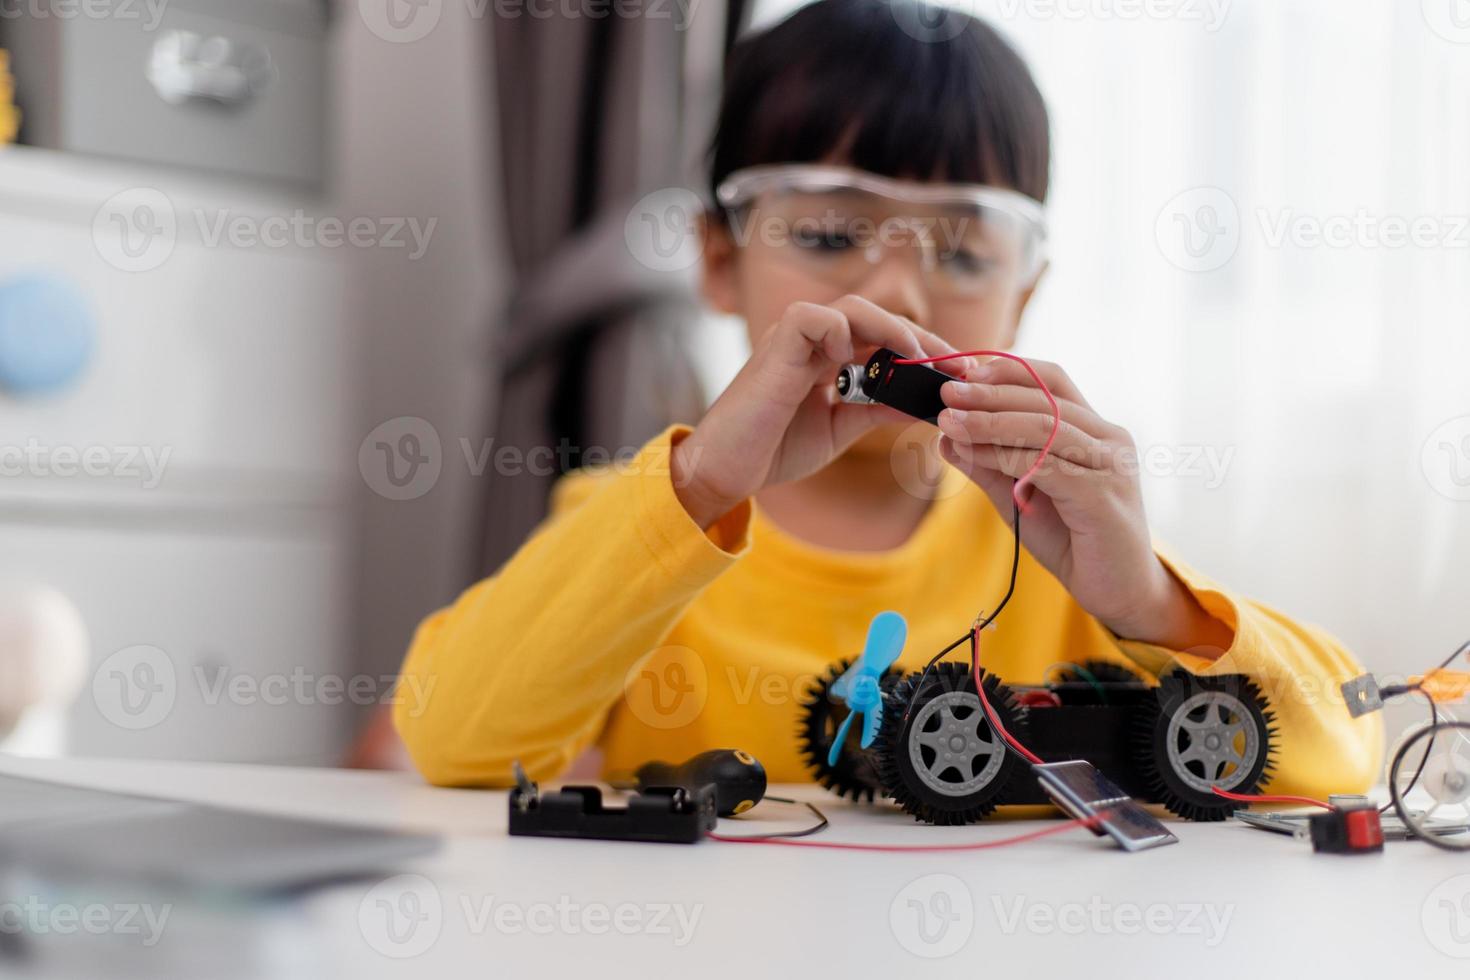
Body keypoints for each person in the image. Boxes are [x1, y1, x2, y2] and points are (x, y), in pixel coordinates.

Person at [393, 0, 1380, 804]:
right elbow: (450, 739)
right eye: (828, 236)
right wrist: (695, 484)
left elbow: (1347, 747)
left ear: (1023, 295)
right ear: (719, 260)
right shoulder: (641, 520)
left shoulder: (1063, 553)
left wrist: (1153, 603)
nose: (897, 299)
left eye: (960, 251)